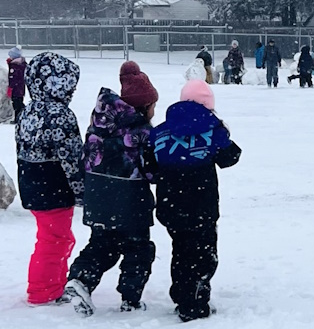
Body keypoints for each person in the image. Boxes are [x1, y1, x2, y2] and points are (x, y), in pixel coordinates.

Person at [63, 62, 158, 316]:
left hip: (98, 196)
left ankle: (80, 280)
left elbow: (86, 158)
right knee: (138, 249)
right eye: (153, 106)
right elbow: (151, 171)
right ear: (144, 106)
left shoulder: (98, 125)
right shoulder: (142, 131)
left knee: (101, 244)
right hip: (131, 200)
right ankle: (131, 298)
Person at [145, 80, 241, 323]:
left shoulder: (160, 131)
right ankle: (195, 301)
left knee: (180, 249)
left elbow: (150, 166)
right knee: (203, 253)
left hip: (170, 204)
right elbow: (230, 157)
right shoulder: (212, 129)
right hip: (202, 204)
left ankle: (182, 293)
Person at [16, 52, 84, 306]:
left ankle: (54, 283)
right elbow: (72, 157)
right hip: (54, 184)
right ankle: (42, 290)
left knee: (54, 237)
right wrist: (82, 190)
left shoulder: (27, 111)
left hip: (32, 181)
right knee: (54, 240)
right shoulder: (60, 114)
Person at [7, 46, 27, 123]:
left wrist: (10, 88)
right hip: (21, 87)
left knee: (17, 104)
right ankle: (21, 117)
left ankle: (18, 119)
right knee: (19, 102)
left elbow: (13, 78)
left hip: (16, 88)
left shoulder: (15, 66)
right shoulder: (22, 64)